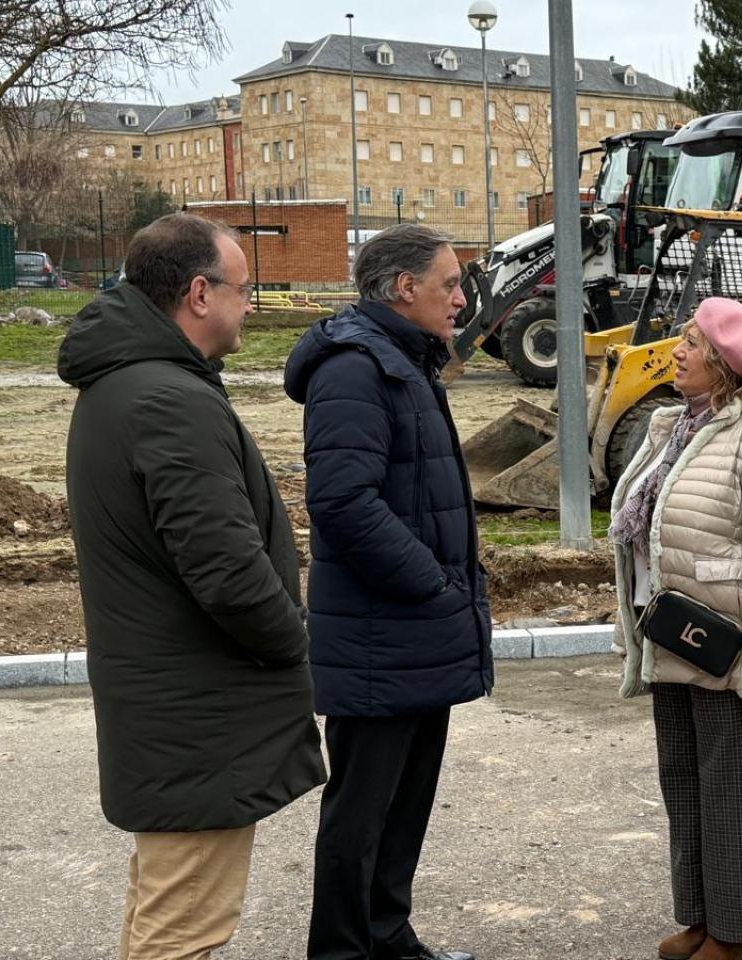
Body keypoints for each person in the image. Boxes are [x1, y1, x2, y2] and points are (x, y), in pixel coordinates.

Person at [58, 213, 325, 960]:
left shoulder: (139, 383)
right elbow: (228, 572)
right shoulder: (166, 400)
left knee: (164, 914)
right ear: (200, 294)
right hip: (195, 718)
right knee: (182, 931)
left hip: (174, 712)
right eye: (245, 289)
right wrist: (293, 644)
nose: (251, 304)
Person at [283, 223, 489, 960]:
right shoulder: (354, 368)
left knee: (403, 807)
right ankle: (342, 951)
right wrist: (430, 582)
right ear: (405, 289)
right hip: (384, 631)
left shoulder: (404, 358)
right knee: (362, 814)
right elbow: (341, 500)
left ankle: (387, 937)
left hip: (418, 630)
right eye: (450, 285)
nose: (462, 300)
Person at [609, 297, 742, 960]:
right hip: (665, 633)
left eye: (691, 342)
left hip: (723, 644)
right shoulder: (671, 426)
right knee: (682, 776)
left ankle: (734, 932)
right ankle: (697, 917)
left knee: (726, 786)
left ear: (725, 362)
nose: (677, 351)